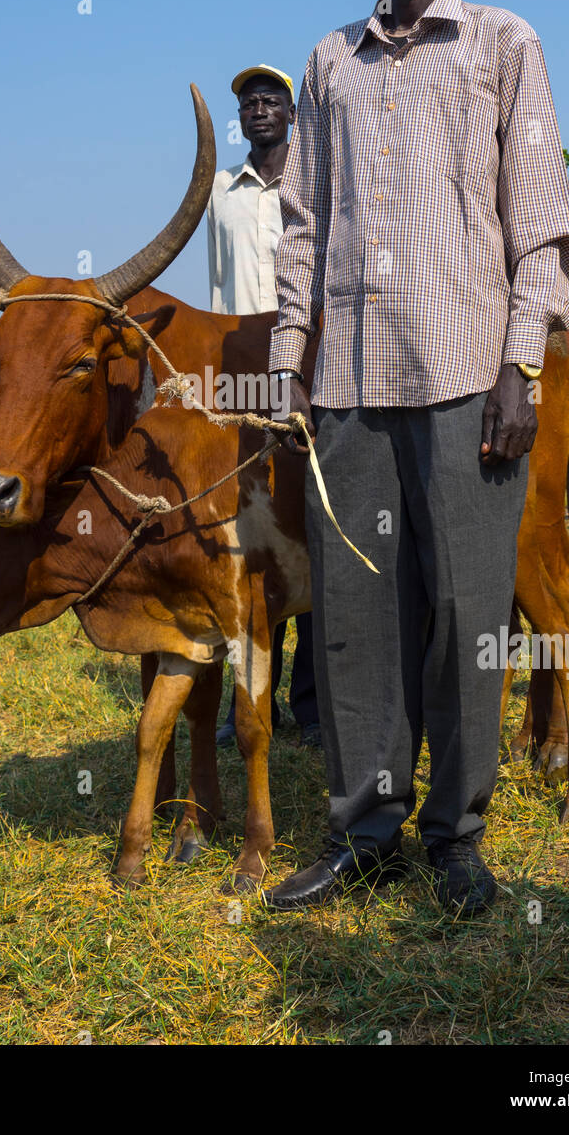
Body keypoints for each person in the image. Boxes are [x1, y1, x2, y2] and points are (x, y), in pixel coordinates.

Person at [265, 0, 569, 915]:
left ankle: (456, 836)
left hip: (465, 377)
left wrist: (519, 365)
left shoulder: (501, 43)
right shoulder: (328, 62)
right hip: (350, 381)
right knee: (356, 616)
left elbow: (539, 219)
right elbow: (304, 223)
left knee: (463, 609)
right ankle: (363, 831)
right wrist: (287, 360)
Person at [206, 64, 321, 747]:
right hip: (240, 375)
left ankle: (311, 709)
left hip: (305, 368)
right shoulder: (221, 191)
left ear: (292, 113)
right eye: (249, 101)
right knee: (244, 539)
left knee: (307, 526)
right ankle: (249, 706)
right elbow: (216, 285)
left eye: (271, 99)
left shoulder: (316, 182)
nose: (259, 109)